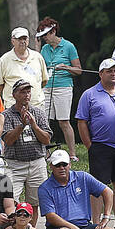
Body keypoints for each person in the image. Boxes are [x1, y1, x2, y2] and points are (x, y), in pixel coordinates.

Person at [75, 59, 115, 229]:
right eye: (109, 71)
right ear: (101, 73)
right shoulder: (90, 94)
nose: (114, 74)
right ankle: (95, 223)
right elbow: (81, 121)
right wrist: (89, 145)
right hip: (100, 145)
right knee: (98, 185)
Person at [3, 80, 52, 210]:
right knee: (10, 200)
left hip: (37, 163)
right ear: (14, 95)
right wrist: (22, 125)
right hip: (14, 165)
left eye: (28, 91)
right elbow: (8, 140)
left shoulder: (39, 113)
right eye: (22, 92)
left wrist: (34, 125)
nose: (26, 95)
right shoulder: (6, 115)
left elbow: (47, 140)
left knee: (35, 203)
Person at [37, 17, 82, 153]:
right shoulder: (44, 48)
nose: (44, 37)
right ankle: (44, 151)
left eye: (46, 34)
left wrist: (65, 67)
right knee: (44, 121)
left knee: (63, 121)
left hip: (63, 87)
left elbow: (79, 70)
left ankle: (73, 153)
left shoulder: (68, 46)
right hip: (46, 87)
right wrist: (37, 46)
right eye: (42, 35)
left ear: (54, 31)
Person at [0, 27, 49, 108]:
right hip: (12, 109)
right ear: (13, 41)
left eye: (25, 38)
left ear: (28, 40)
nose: (22, 41)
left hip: (37, 106)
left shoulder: (38, 57)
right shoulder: (4, 60)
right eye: (19, 39)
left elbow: (44, 81)